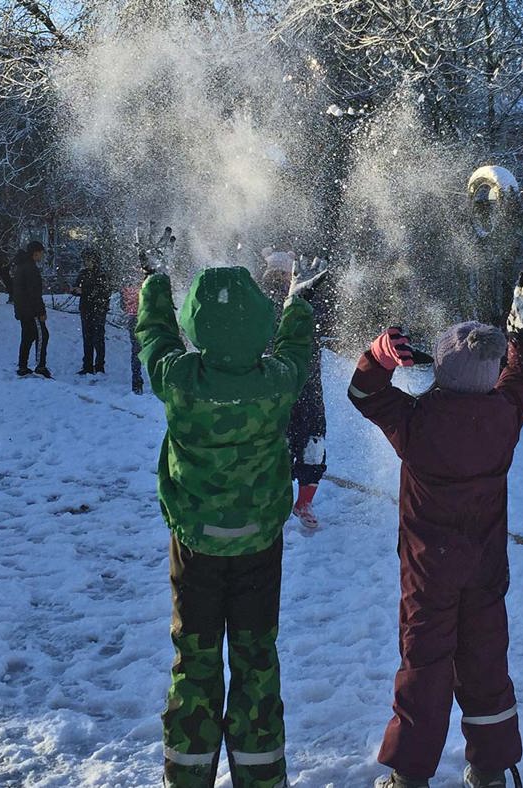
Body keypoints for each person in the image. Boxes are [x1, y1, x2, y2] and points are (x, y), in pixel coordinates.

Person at [349, 273, 523, 788]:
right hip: (484, 572)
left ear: (441, 370)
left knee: (424, 668)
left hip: (428, 577)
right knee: (485, 662)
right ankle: (489, 768)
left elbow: (364, 392)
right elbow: (522, 379)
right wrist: (520, 335)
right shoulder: (503, 416)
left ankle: (411, 774)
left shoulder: (417, 422)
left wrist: (382, 354)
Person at [136, 254, 328, 788]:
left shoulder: (179, 379)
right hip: (259, 547)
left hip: (195, 545)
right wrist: (297, 303)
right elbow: (294, 348)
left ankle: (189, 777)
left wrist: (155, 280)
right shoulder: (276, 382)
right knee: (256, 660)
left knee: (194, 663)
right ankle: (262, 778)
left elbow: (154, 337)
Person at [259, 248, 327, 529]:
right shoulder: (264, 303)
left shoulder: (304, 298)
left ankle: (299, 502)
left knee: (308, 442)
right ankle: (292, 501)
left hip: (303, 384)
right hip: (286, 384)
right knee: (300, 443)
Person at [12, 240, 51, 378]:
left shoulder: (21, 266)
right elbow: (34, 293)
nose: (42, 256)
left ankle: (22, 366)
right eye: (41, 253)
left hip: (23, 309)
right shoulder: (31, 269)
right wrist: (41, 311)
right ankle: (40, 366)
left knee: (27, 337)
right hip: (31, 311)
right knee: (42, 336)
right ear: (36, 253)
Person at [72, 247, 111, 375]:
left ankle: (99, 366)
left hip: (98, 309)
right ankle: (87, 365)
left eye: (88, 260)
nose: (86, 263)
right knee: (87, 337)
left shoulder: (101, 274)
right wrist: (75, 290)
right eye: (85, 260)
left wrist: (85, 292)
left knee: (98, 338)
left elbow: (103, 292)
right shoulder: (83, 273)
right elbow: (77, 286)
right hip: (86, 308)